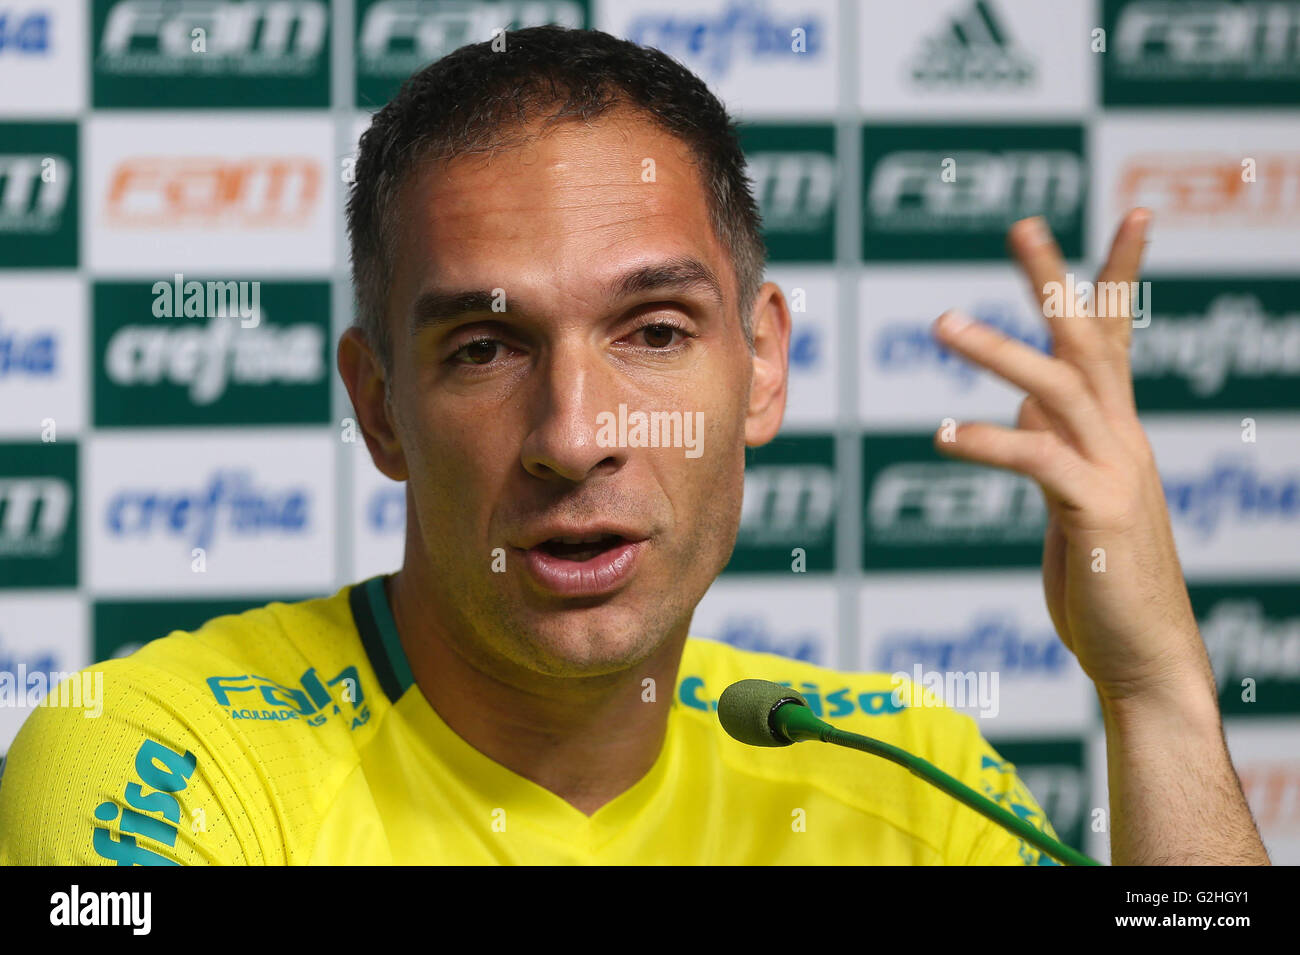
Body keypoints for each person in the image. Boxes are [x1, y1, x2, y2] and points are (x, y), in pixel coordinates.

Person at [0, 26, 1268, 865]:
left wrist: (1154, 690)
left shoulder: (909, 775)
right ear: (379, 408)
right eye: (485, 349)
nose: (575, 435)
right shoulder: (158, 758)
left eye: (653, 332)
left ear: (761, 363)